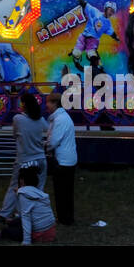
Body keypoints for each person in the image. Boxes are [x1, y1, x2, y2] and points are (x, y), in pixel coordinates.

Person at [0, 92, 49, 222]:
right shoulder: (40, 119)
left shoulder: (18, 119)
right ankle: (35, 214)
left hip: (24, 160)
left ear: (24, 105)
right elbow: (48, 130)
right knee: (38, 188)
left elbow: (15, 135)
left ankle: (5, 213)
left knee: (15, 187)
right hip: (40, 159)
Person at [46, 90, 78, 225]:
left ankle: (64, 218)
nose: (46, 105)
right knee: (67, 191)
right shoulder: (63, 118)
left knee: (61, 191)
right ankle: (67, 217)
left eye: (48, 102)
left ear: (55, 103)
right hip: (69, 159)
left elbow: (53, 142)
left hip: (63, 161)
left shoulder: (59, 120)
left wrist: (45, 146)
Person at [69, 0, 119, 73]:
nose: (111, 13)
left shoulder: (108, 24)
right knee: (76, 53)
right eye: (110, 10)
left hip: (93, 40)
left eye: (113, 12)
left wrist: (116, 38)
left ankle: (96, 68)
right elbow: (86, 5)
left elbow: (112, 33)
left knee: (92, 54)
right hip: (83, 37)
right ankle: (76, 61)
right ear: (106, 8)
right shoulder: (96, 12)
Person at [17, 163, 57, 244]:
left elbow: (26, 218)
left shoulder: (23, 193)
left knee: (9, 231)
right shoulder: (38, 192)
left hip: (40, 234)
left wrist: (26, 241)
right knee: (16, 221)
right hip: (51, 232)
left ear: (22, 180)